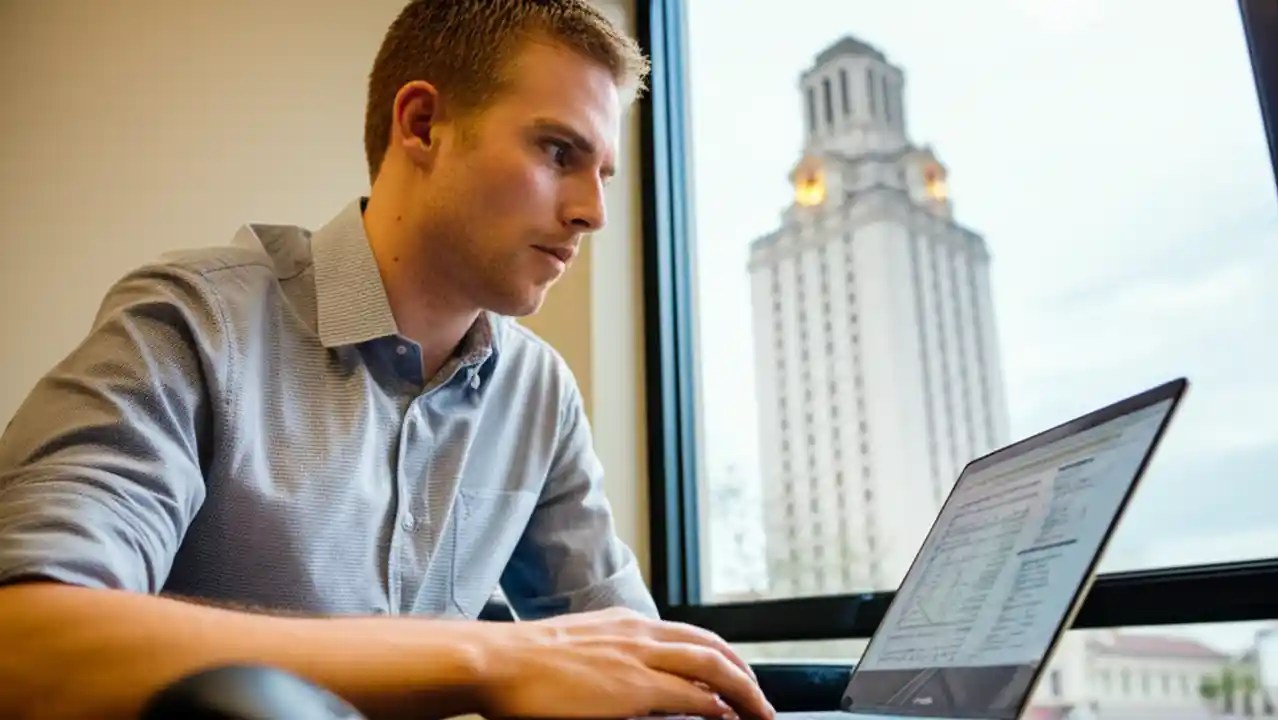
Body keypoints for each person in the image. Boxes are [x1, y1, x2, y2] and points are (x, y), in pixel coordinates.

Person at [0, 1, 776, 719]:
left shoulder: (540, 393)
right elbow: (25, 643)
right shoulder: (193, 323)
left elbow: (630, 658)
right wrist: (490, 655)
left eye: (601, 174)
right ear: (422, 123)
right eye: (557, 151)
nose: (592, 212)